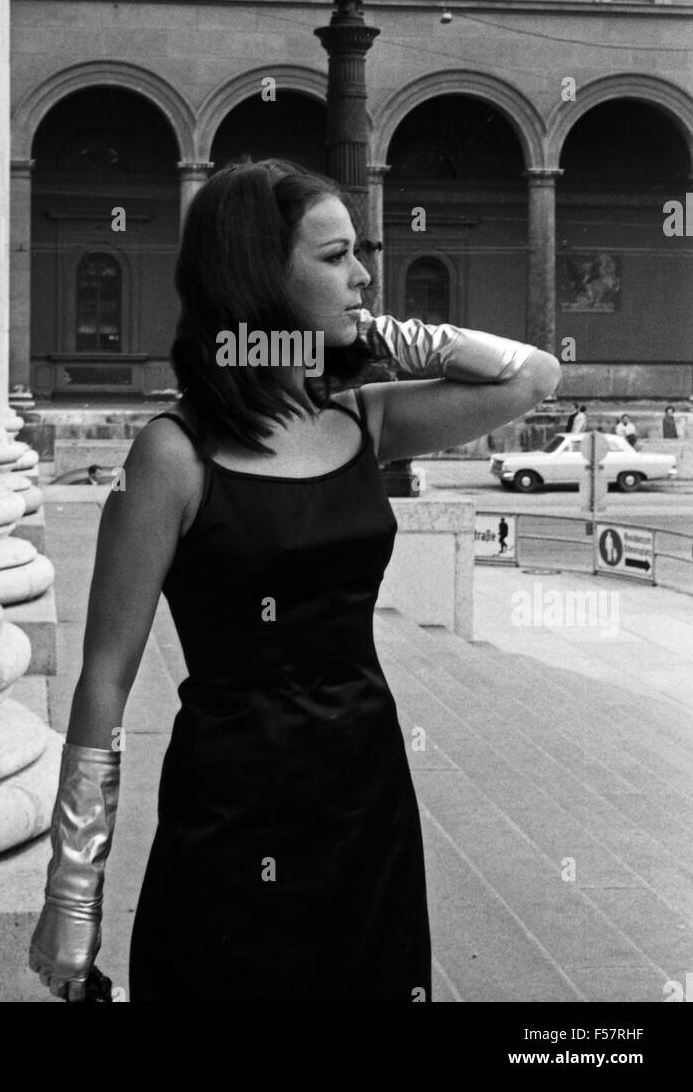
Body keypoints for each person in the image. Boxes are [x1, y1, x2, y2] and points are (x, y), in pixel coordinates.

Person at [28, 158, 561, 1003]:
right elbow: (104, 680)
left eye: (361, 257)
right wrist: (73, 895)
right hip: (232, 812)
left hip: (366, 796)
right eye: (333, 257)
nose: (361, 276)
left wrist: (368, 331)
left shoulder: (363, 419)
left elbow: (533, 376)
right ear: (254, 275)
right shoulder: (172, 456)